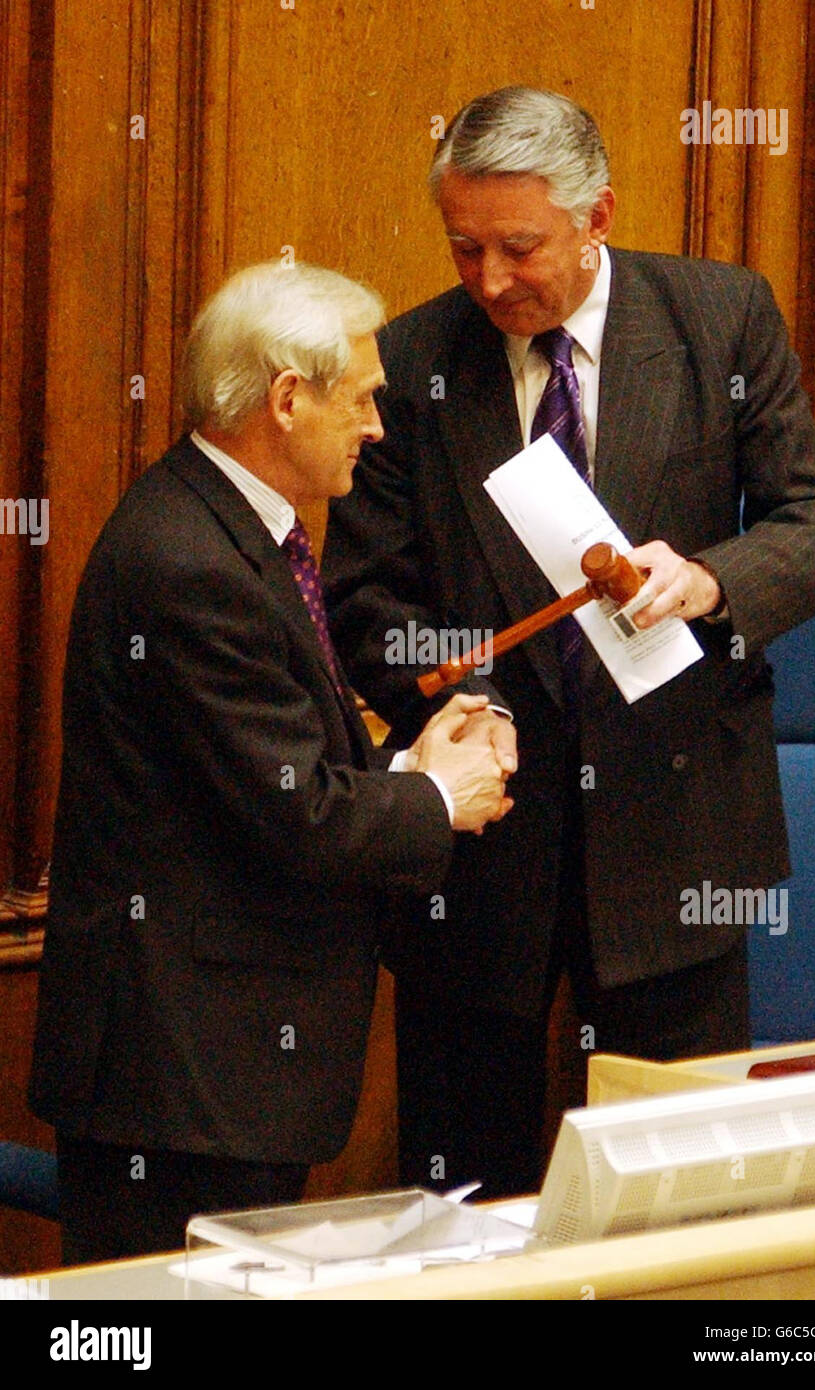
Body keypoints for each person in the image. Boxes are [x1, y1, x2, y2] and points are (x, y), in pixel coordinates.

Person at [322, 86, 815, 1198]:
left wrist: (711, 577)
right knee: (460, 1195)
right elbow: (364, 603)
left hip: (675, 840)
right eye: (464, 247)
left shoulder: (718, 318)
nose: (487, 280)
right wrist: (466, 694)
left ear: (597, 217)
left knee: (674, 1196)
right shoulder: (415, 359)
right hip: (481, 856)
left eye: (517, 248)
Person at [29, 259, 514, 1263]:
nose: (378, 427)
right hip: (182, 1078)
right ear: (288, 399)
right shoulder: (189, 561)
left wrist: (407, 755)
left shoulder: (232, 529)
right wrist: (436, 795)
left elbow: (273, 765)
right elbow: (295, 817)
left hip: (220, 1065)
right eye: (363, 398)